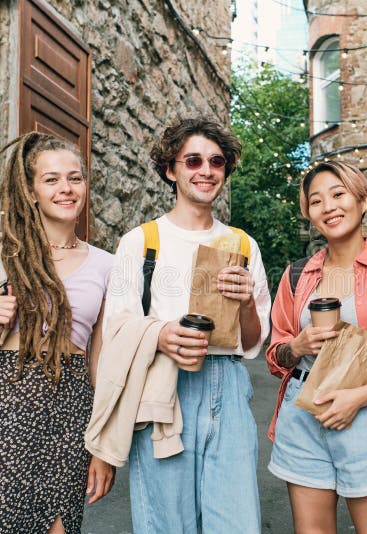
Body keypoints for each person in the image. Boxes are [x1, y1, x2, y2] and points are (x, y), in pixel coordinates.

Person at [104, 117, 271, 533]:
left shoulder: (242, 244)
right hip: (164, 386)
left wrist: (247, 299)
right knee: (167, 522)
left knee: (236, 523)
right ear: (170, 170)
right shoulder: (141, 242)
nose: (206, 171)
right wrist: (161, 333)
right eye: (192, 160)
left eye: (217, 162)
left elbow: (252, 342)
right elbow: (116, 328)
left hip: (229, 386)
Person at [0, 132, 115, 533]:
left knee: (59, 526)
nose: (66, 189)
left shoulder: (107, 264)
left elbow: (100, 360)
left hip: (72, 405)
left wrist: (103, 444)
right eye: (52, 179)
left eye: (75, 178)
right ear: (31, 190)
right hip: (5, 399)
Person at [266, 161, 367, 534]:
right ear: (309, 213)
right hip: (303, 413)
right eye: (317, 201)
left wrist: (357, 398)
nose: (329, 207)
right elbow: (275, 356)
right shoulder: (296, 275)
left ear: (362, 199)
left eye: (338, 194)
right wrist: (296, 345)